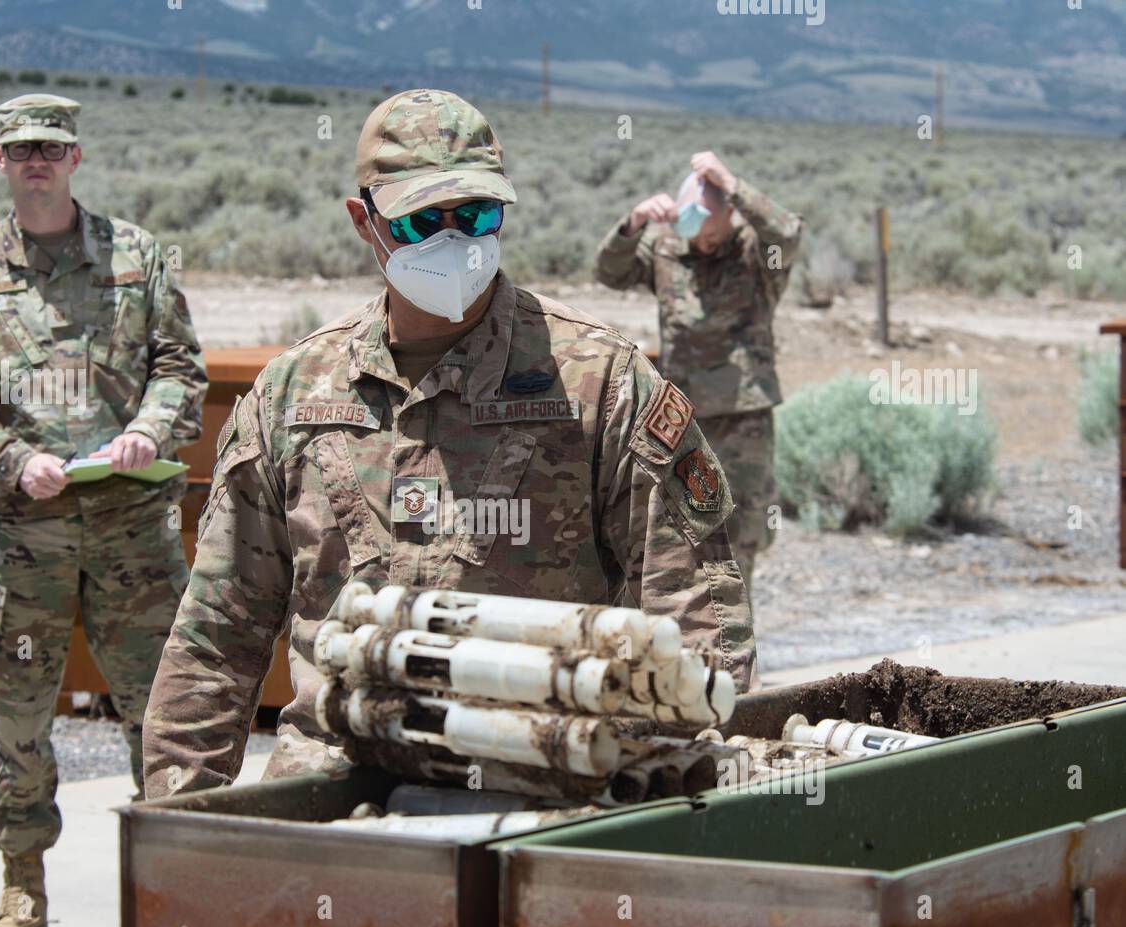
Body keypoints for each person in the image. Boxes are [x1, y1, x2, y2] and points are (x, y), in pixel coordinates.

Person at [141, 89, 756, 801]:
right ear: (362, 221)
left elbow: (700, 621)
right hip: (336, 801)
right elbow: (217, 639)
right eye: (421, 220)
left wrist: (697, 813)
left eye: (477, 215)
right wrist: (178, 828)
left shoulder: (600, 382)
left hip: (542, 789)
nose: (454, 241)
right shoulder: (292, 396)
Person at [0, 93, 207, 927]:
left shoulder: (138, 256)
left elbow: (179, 365)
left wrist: (152, 428)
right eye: (20, 150)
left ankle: (174, 892)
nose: (36, 161)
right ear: (1, 163)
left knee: (159, 711)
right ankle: (22, 889)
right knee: (20, 714)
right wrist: (14, 460)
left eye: (51, 147)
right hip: (21, 540)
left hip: (131, 534)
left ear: (76, 158)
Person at [594, 151, 803, 595]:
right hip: (678, 416)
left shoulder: (755, 251)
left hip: (741, 416)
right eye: (698, 236)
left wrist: (731, 181)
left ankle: (733, 647)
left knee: (742, 532)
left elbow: (788, 232)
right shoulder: (669, 247)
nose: (704, 246)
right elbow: (609, 272)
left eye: (714, 235)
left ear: (732, 214)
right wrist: (632, 224)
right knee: (674, 528)